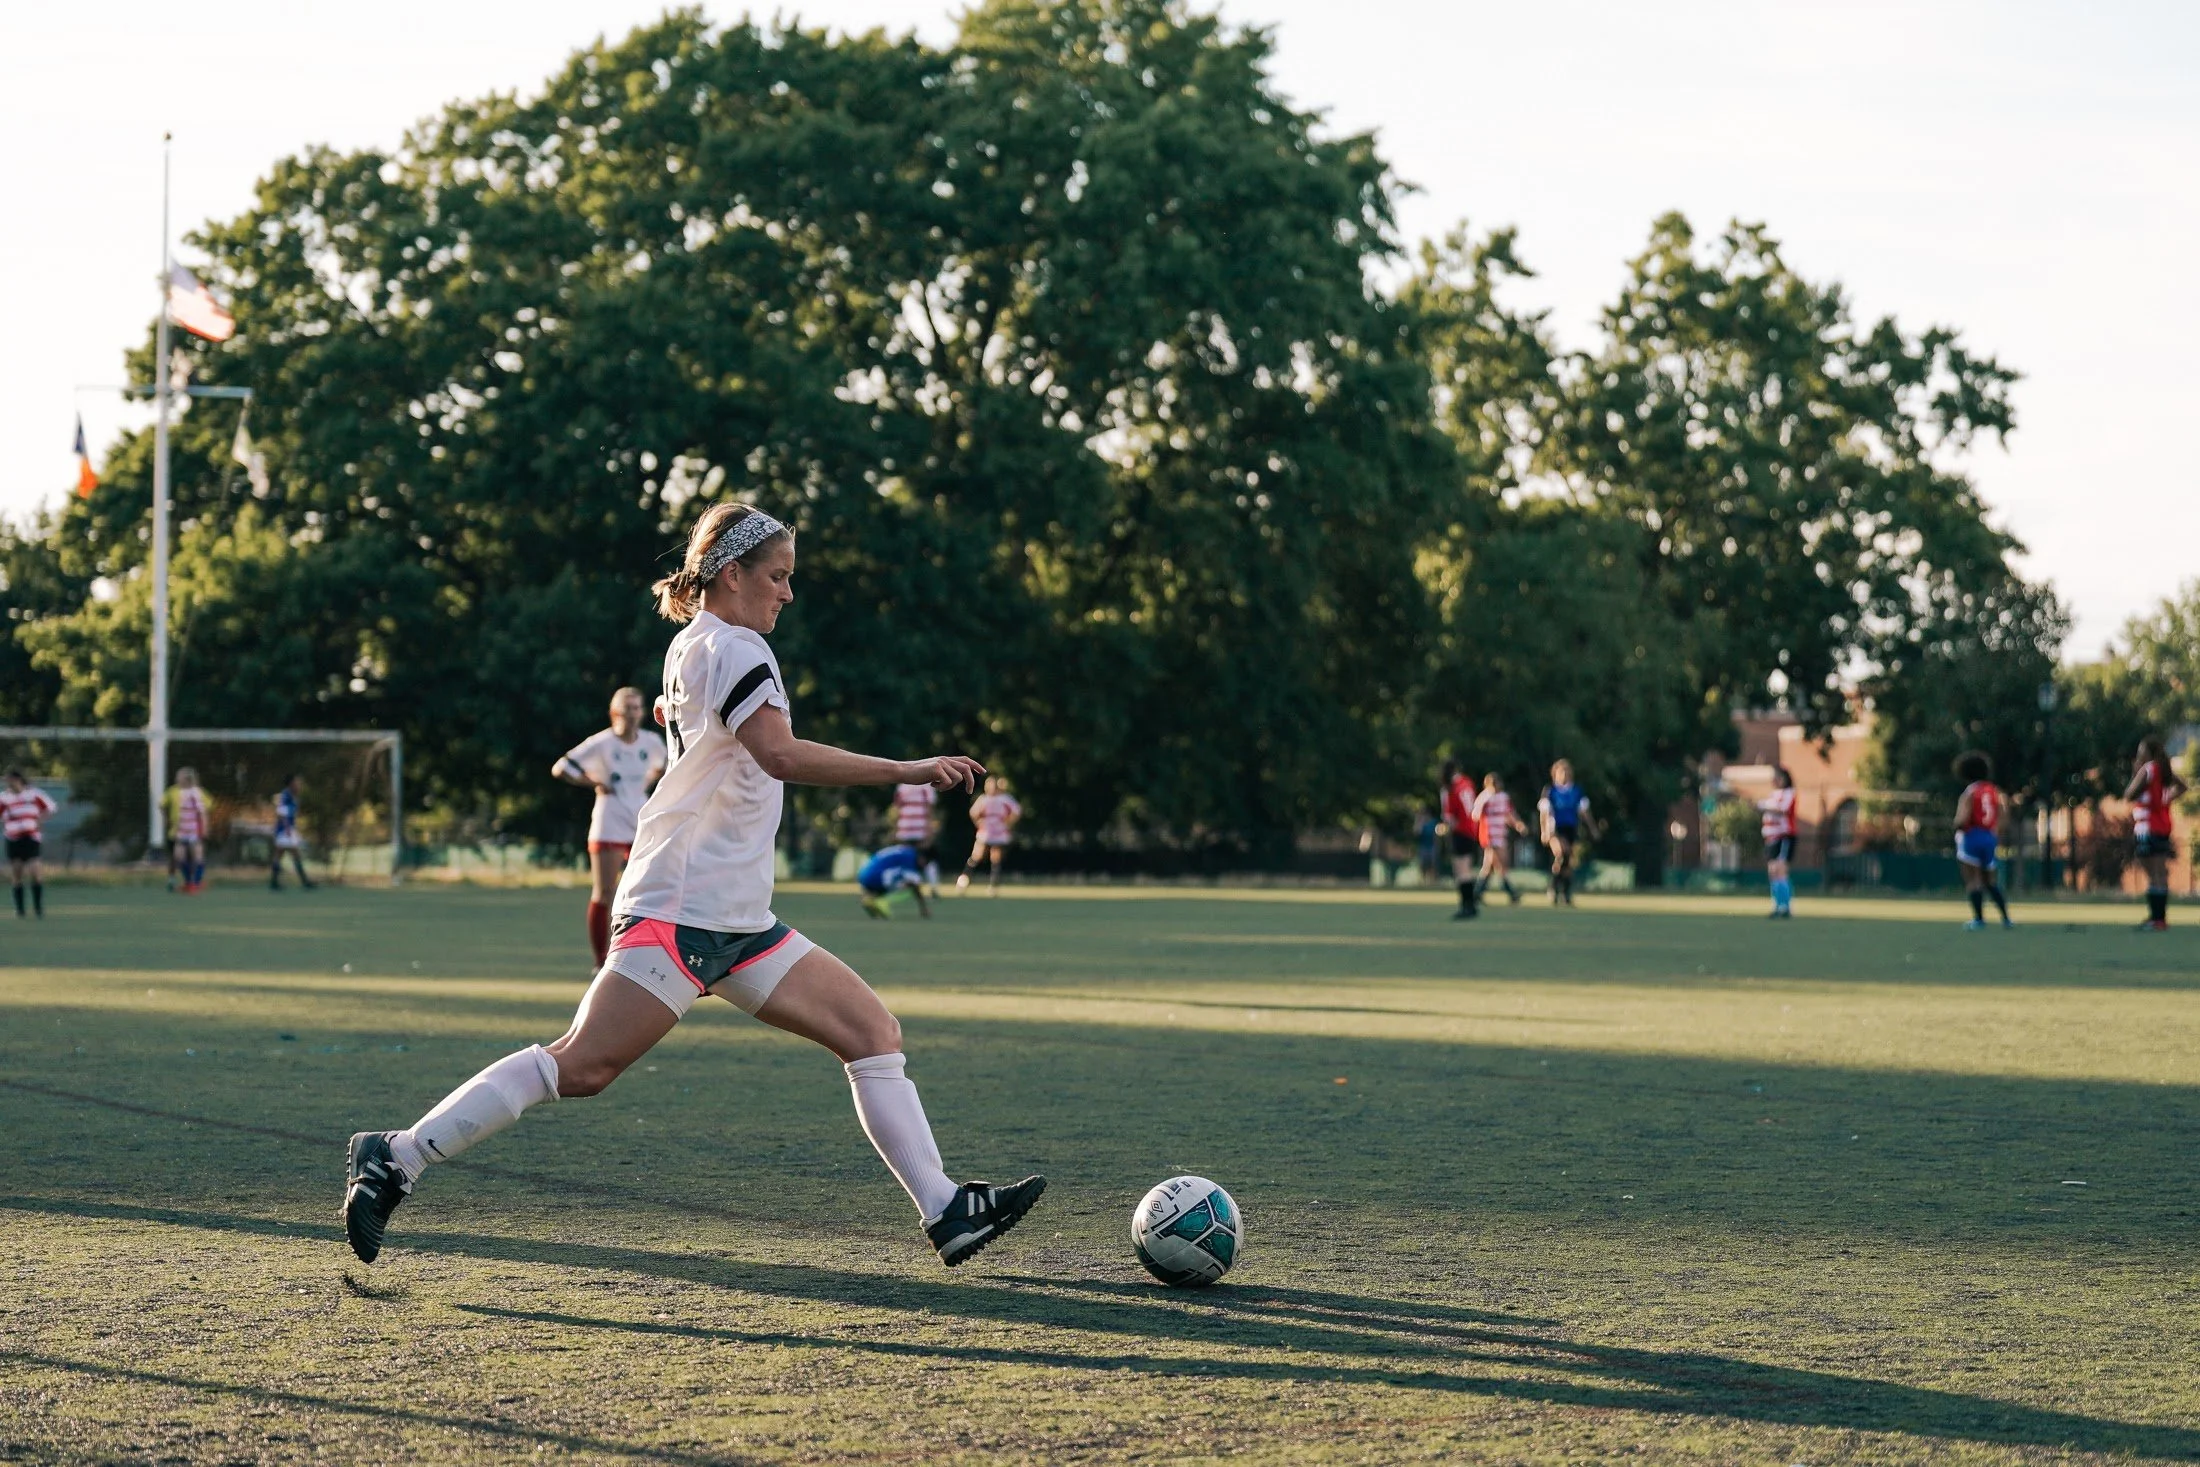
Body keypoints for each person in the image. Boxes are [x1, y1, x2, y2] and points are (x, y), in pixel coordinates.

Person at [341, 503, 1043, 1270]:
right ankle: (396, 1154)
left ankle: (944, 1208)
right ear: (731, 574)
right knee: (582, 1065)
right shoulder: (738, 647)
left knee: (872, 1032)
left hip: (737, 917)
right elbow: (778, 754)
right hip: (680, 910)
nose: (788, 593)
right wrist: (904, 768)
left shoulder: (693, 642)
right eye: (778, 576)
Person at [553, 687, 669, 968]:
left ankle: (641, 954)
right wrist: (594, 783)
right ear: (614, 712)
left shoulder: (651, 742)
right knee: (605, 891)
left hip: (640, 821)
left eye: (637, 707)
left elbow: (668, 765)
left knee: (651, 890)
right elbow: (561, 768)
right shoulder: (601, 743)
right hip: (608, 822)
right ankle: (601, 959)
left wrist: (651, 780)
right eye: (626, 707)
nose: (632, 713)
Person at [2125, 736, 2188, 932]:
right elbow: (2182, 786)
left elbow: (2129, 794)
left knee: (2154, 874)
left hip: (2147, 827)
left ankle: (2156, 918)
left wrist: (2136, 771)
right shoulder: (2163, 769)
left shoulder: (2148, 769)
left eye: (2141, 750)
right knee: (2160, 873)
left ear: (2147, 752)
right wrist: (2166, 798)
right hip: (2162, 826)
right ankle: (2159, 918)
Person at [1952, 751, 2012, 930]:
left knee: (1973, 880)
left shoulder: (1970, 792)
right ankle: (2006, 918)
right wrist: (1995, 834)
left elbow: (1962, 819)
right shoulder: (1995, 792)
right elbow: (2003, 817)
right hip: (1989, 837)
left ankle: (1978, 919)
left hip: (1971, 837)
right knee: (1990, 881)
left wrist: (1956, 827)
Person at [1538, 760, 1597, 906]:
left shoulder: (1576, 791)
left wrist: (1593, 828)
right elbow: (1544, 813)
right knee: (1561, 853)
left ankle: (1564, 892)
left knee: (1568, 862)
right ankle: (1553, 888)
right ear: (1555, 774)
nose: (1563, 775)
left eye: (1566, 772)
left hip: (1570, 828)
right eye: (1560, 772)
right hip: (1555, 829)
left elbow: (1584, 812)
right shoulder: (1550, 791)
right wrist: (1544, 831)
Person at [4, 771, 58, 919]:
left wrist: (40, 820)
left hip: (31, 837)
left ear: (18, 779)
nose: (8, 783)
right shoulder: (4, 797)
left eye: (11, 780)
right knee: (17, 873)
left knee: (35, 871)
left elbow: (51, 807)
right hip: (13, 838)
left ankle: (38, 908)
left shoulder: (34, 794)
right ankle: (20, 910)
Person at [956, 777, 1022, 895]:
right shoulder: (983, 799)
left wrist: (1008, 823)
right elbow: (973, 813)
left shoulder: (1005, 799)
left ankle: (993, 886)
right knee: (976, 857)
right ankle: (963, 882)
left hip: (999, 833)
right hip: (985, 834)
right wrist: (979, 823)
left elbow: (1017, 811)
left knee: (996, 859)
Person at [1473, 773, 1528, 906]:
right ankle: (1511, 892)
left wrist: (1518, 824)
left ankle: (1477, 893)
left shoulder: (1504, 797)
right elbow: (1475, 815)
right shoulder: (1484, 797)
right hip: (1489, 835)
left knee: (1490, 866)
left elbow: (1509, 814)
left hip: (1500, 834)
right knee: (1501, 863)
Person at [1436, 759, 1479, 920]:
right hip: (1470, 831)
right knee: (1465, 868)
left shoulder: (1451, 788)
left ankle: (1467, 906)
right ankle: (1471, 905)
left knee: (1461, 870)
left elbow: (1449, 816)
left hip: (1460, 831)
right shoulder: (1467, 783)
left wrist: (1445, 827)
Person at [1757, 767, 1798, 919]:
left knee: (1780, 870)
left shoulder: (1789, 793)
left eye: (1776, 777)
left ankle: (1786, 906)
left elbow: (1782, 810)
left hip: (1783, 837)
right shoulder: (1773, 795)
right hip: (1771, 838)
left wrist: (1764, 807)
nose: (1774, 780)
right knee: (1772, 872)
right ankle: (1776, 904)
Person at [890, 781, 943, 896]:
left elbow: (896, 809)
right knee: (927, 858)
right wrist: (930, 830)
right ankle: (933, 887)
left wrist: (895, 829)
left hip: (905, 828)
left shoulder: (902, 785)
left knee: (906, 858)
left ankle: (903, 887)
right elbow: (929, 809)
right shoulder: (926, 786)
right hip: (920, 828)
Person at [858, 843, 932, 920]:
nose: (924, 867)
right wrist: (923, 908)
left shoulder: (904, 850)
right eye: (926, 863)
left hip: (863, 874)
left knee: (896, 876)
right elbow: (915, 885)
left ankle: (869, 899)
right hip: (876, 876)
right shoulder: (910, 858)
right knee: (912, 885)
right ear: (922, 858)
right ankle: (881, 901)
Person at [269, 774, 315, 891]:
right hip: (285, 830)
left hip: (287, 829)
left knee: (280, 855)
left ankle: (274, 882)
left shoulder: (292, 796)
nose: (299, 785)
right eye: (297, 782)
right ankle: (305, 882)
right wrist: (287, 828)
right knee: (292, 854)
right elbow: (281, 813)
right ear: (291, 783)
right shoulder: (286, 795)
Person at [171, 768, 209, 895]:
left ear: (186, 779)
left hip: (194, 830)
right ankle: (189, 882)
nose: (177, 779)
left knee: (197, 857)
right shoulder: (180, 792)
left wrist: (204, 828)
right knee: (179, 856)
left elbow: (202, 812)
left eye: (179, 777)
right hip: (182, 830)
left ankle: (196, 883)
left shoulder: (195, 792)